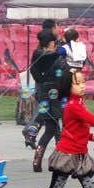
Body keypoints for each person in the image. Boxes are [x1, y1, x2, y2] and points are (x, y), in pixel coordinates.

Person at [28, 32, 65, 172]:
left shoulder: (36, 57)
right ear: (50, 43)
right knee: (54, 129)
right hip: (55, 94)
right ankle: (58, 161)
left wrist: (43, 82)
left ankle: (37, 161)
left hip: (42, 93)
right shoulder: (57, 58)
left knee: (50, 128)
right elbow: (61, 74)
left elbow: (34, 74)